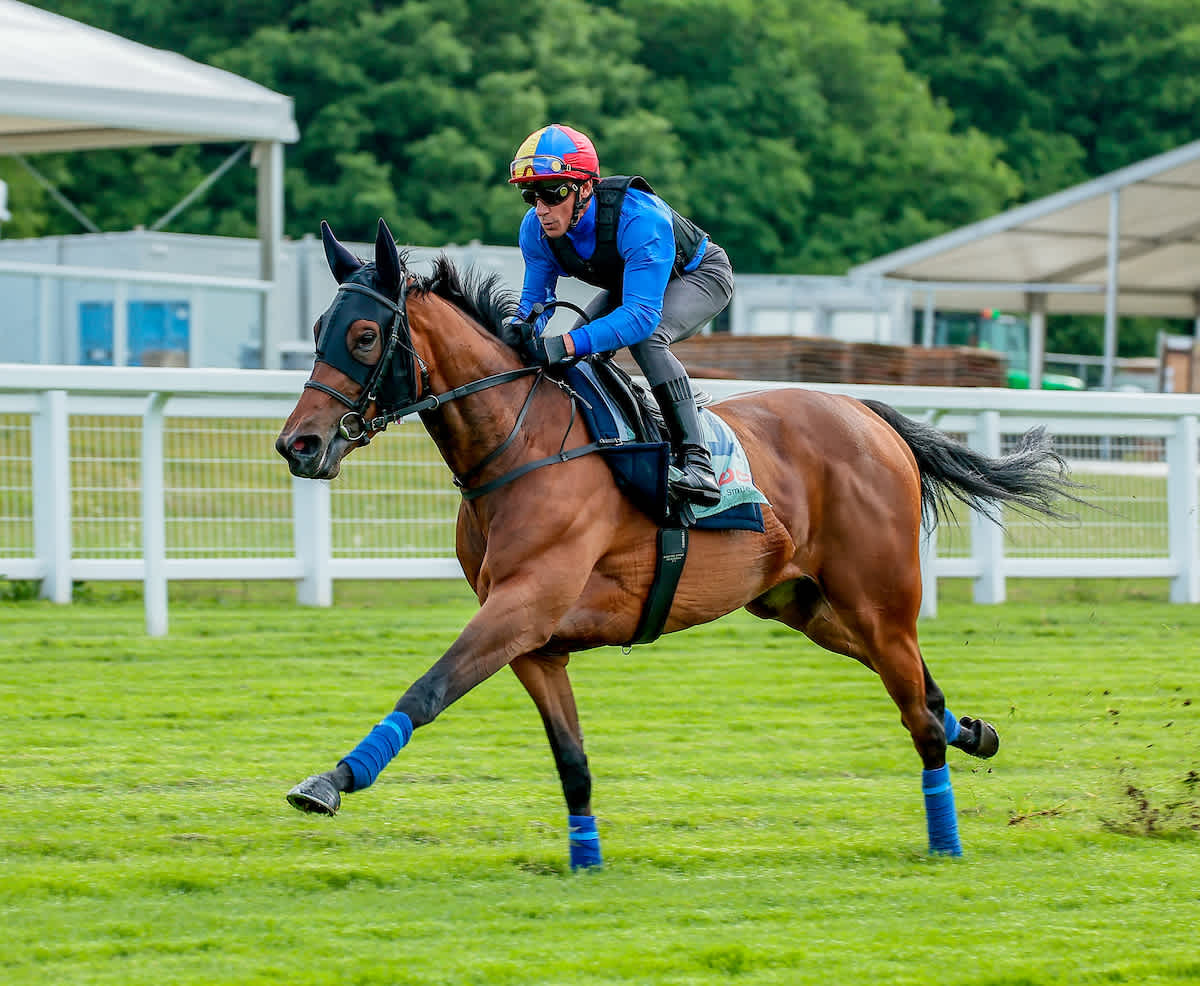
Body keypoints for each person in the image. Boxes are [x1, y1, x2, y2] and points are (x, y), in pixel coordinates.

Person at [507, 123, 734, 509]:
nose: (541, 208)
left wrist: (563, 343)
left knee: (643, 338)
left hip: (697, 276)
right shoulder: (535, 230)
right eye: (531, 195)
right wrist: (515, 329)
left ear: (585, 187)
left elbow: (642, 316)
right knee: (581, 353)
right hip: (633, 284)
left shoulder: (640, 217)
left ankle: (698, 460)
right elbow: (535, 301)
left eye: (552, 192)